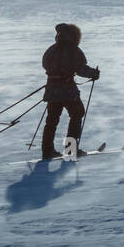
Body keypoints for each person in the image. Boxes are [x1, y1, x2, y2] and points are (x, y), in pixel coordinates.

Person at [40, 23, 100, 160]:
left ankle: (47, 151)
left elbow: (45, 64)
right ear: (73, 36)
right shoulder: (74, 50)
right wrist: (94, 73)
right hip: (67, 90)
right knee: (77, 114)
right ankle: (71, 150)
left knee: (51, 120)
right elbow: (81, 69)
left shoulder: (51, 49)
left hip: (51, 89)